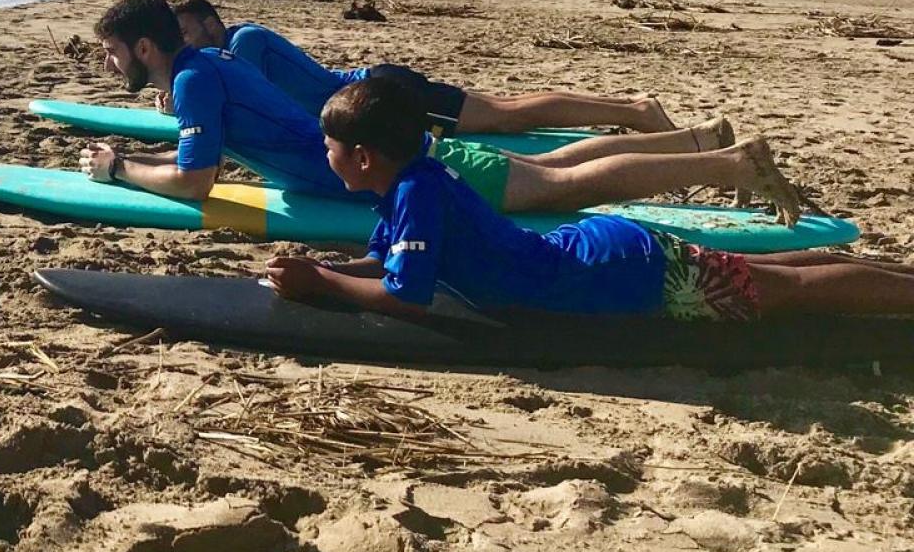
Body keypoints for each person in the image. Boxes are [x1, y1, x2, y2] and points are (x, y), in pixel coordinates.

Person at [84, 0, 805, 223]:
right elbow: (192, 160)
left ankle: (730, 165)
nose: (109, 65)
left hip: (389, 169)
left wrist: (120, 172)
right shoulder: (206, 64)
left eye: (114, 52)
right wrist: (136, 160)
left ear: (147, 46)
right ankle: (707, 148)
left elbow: (195, 182)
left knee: (564, 185)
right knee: (548, 163)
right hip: (382, 156)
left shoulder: (195, 79)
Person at [263, 76, 913, 322]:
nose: (326, 157)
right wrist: (323, 272)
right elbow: (387, 263)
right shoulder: (408, 186)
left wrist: (322, 282)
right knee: (771, 274)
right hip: (604, 254)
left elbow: (406, 292)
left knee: (787, 293)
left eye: (330, 148)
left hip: (620, 275)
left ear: (364, 157)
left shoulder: (413, 193)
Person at [173, 0, 675, 135]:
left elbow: (235, 86)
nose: (187, 47)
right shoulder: (231, 46)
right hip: (373, 90)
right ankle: (632, 110)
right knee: (506, 111)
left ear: (212, 24)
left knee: (508, 113)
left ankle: (635, 110)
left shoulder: (244, 40)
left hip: (380, 92)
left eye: (189, 34)